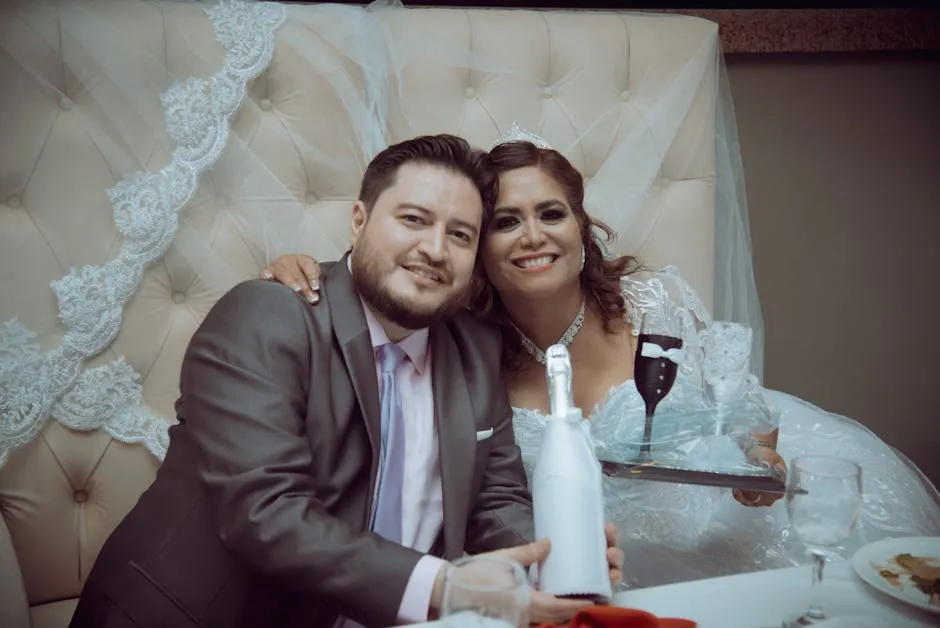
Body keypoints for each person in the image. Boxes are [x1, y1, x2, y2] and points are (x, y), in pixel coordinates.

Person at [261, 132, 940, 588]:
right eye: (504, 222)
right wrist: (308, 269)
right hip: (590, 564)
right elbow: (385, 280)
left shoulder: (657, 299)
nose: (533, 237)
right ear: (476, 252)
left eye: (551, 214)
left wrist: (758, 459)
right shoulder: (462, 348)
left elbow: (742, 400)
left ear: (581, 229)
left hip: (727, 534)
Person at [69, 134, 622, 628]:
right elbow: (266, 512)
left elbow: (494, 498)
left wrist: (554, 553)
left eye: (459, 234)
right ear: (359, 221)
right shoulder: (268, 316)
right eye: (413, 220)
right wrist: (444, 586)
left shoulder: (474, 347)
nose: (434, 249)